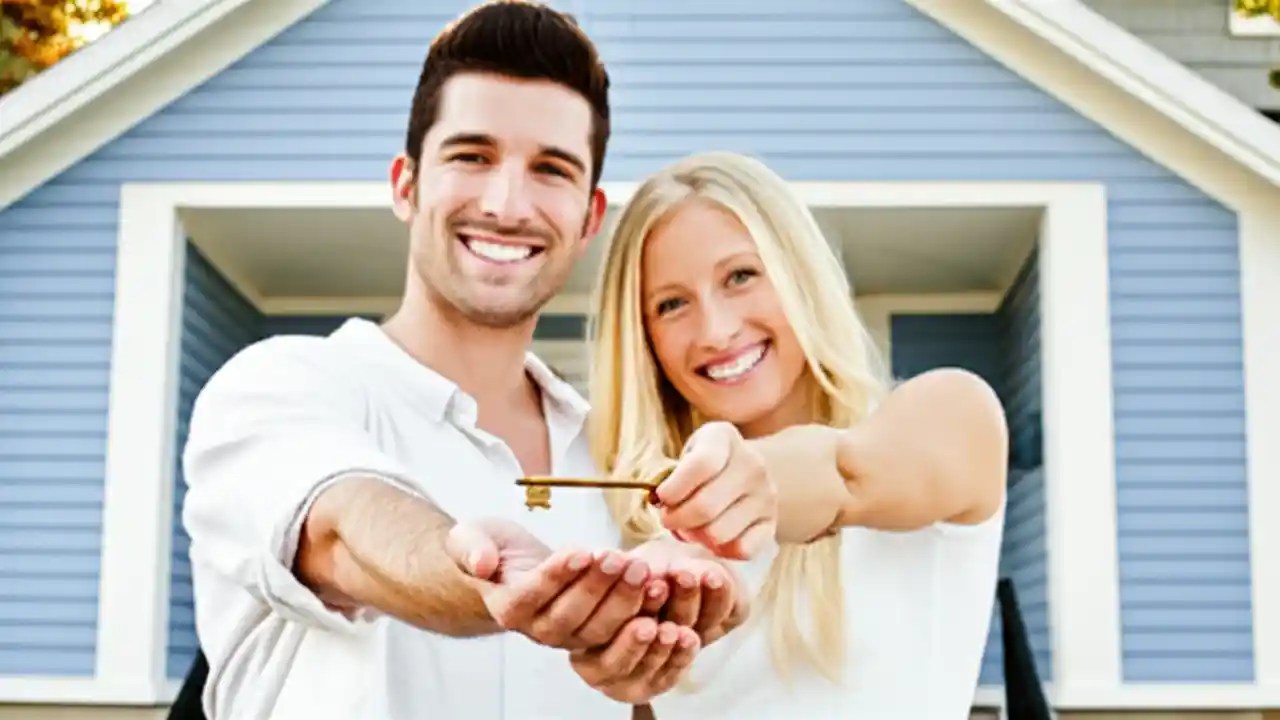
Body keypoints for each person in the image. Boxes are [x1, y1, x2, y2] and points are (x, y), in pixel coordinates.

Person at [179, 6, 775, 719]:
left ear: (588, 218)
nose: (506, 203)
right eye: (472, 156)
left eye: (551, 169)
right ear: (407, 185)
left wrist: (657, 647)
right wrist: (479, 572)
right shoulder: (281, 385)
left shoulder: (615, 458)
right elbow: (344, 530)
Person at [581, 150, 1009, 718]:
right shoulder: (645, 540)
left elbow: (844, 474)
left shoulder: (950, 415)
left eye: (740, 276)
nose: (716, 330)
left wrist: (740, 488)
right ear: (645, 340)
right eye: (672, 304)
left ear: (798, 276)